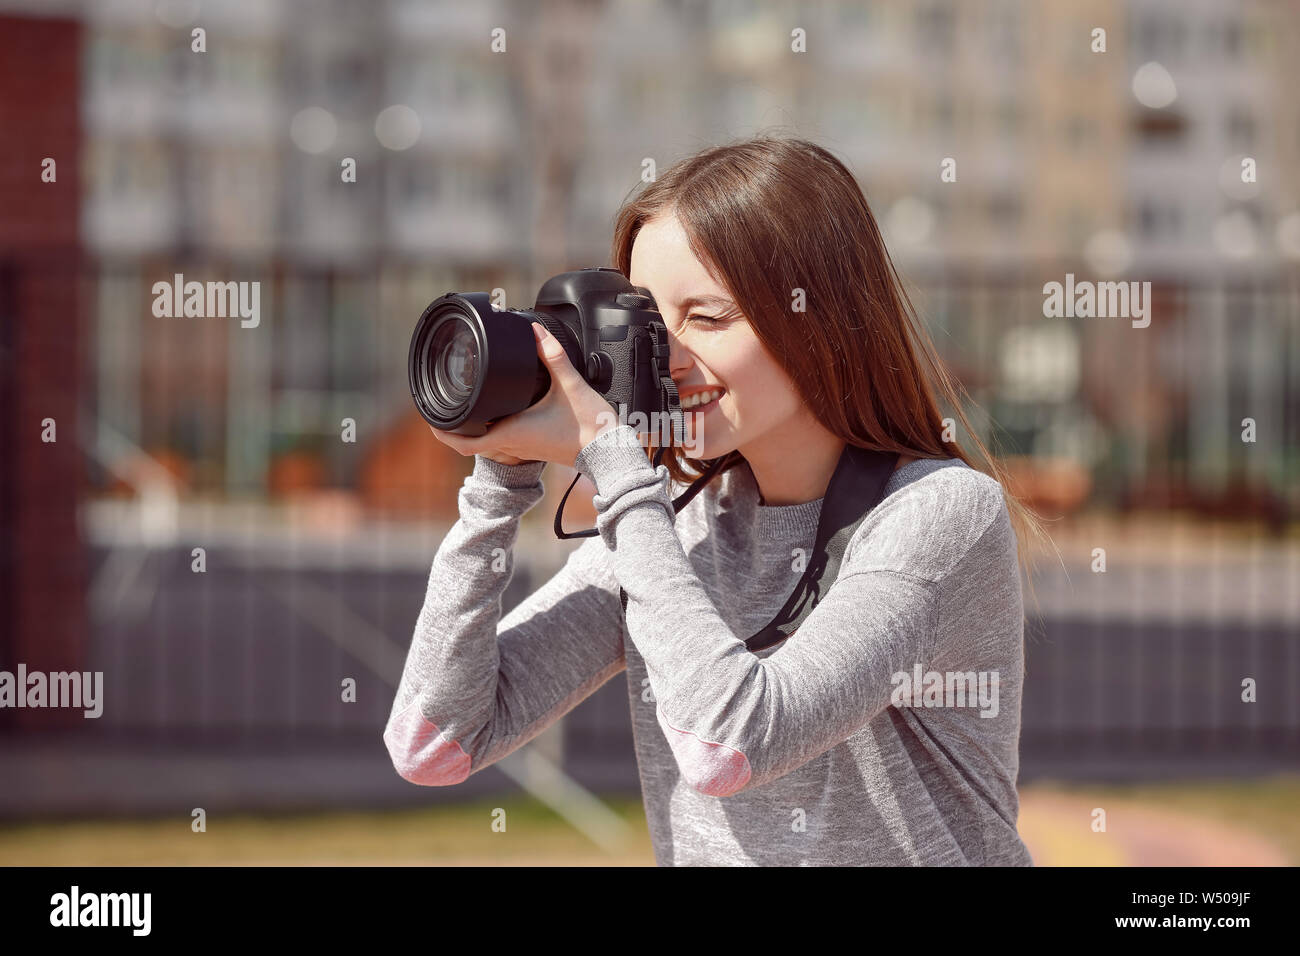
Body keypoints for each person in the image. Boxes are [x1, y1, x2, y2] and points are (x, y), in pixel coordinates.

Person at [384, 134, 1050, 865]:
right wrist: (498, 481)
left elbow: (728, 743)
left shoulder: (939, 515)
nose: (665, 358)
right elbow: (434, 742)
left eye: (707, 318)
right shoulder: (675, 518)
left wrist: (616, 466)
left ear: (818, 318)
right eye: (646, 320)